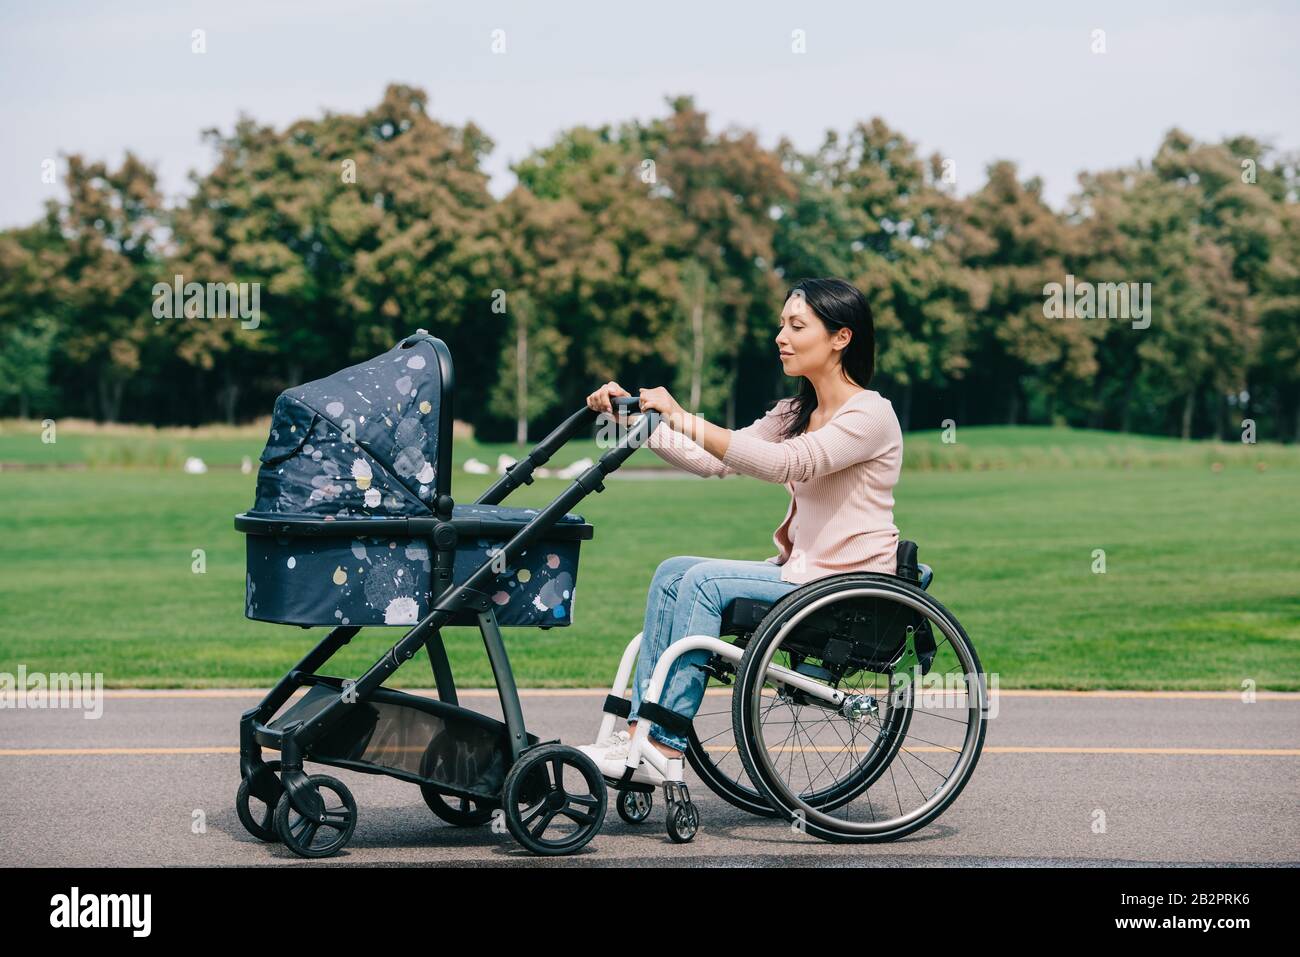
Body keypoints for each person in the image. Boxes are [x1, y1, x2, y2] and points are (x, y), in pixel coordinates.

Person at [580, 277, 903, 784]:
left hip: (847, 585)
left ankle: (663, 743)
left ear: (841, 337)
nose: (781, 336)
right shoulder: (797, 411)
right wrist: (632, 417)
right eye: (781, 325)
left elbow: (784, 464)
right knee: (673, 572)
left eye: (797, 326)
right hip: (802, 574)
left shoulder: (870, 415)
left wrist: (682, 415)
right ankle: (640, 732)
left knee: (704, 583)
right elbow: (708, 460)